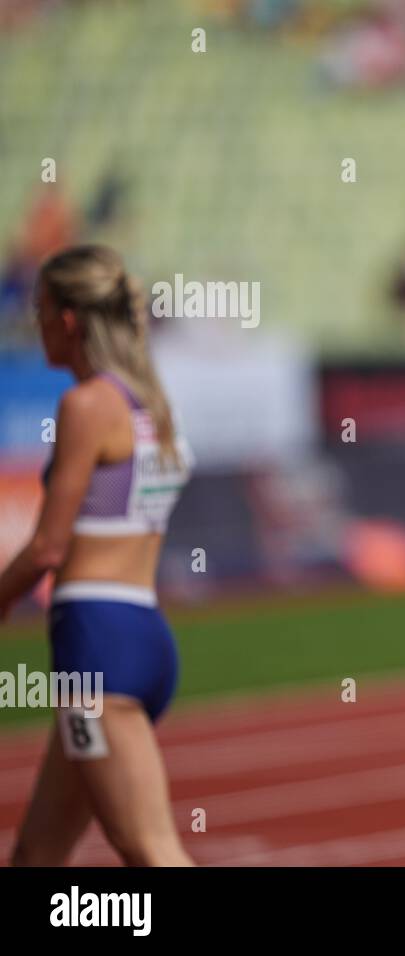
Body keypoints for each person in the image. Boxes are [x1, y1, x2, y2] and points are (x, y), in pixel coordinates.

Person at [0, 244, 195, 866]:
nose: (33, 324)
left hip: (95, 653)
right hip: (141, 634)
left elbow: (48, 547)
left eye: (39, 310)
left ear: (67, 320)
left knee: (150, 849)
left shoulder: (85, 406)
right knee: (37, 856)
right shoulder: (153, 404)